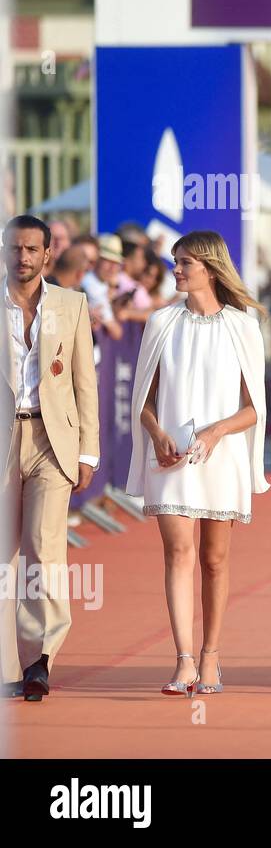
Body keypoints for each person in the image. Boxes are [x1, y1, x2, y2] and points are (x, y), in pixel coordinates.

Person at [127, 231, 270, 697]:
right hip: (168, 458)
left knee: (213, 558)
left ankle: (211, 655)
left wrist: (215, 432)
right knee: (178, 552)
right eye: (175, 261)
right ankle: (184, 661)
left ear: (210, 267)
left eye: (185, 262)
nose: (176, 269)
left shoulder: (242, 326)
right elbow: (143, 401)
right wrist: (156, 433)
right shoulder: (161, 322)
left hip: (220, 455)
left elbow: (254, 408)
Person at [0, 216, 99, 701]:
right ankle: (5, 664)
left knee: (45, 549)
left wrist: (88, 451)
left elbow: (85, 382)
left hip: (50, 440)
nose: (22, 257)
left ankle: (39, 658)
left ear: (47, 255)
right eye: (14, 248)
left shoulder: (71, 304)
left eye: (31, 249)